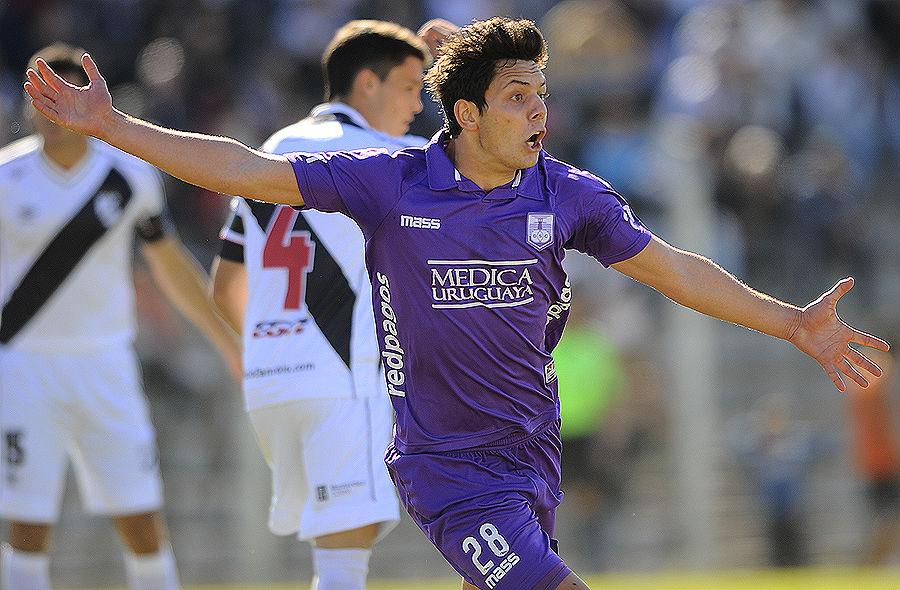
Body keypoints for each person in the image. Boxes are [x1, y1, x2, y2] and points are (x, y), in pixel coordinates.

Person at [23, 17, 891, 590]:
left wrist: (789, 323)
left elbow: (674, 270)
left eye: (543, 95)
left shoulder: (569, 193)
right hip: (447, 470)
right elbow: (246, 168)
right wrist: (114, 128)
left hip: (532, 456)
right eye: (519, 97)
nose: (540, 111)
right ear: (468, 113)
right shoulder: (390, 180)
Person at [209, 19, 445, 590]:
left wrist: (273, 347)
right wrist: (467, 74)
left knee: (340, 549)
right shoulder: (390, 157)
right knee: (344, 555)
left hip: (271, 382)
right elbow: (492, 160)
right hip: (341, 378)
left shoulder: (274, 150)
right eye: (413, 87)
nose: (420, 104)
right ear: (367, 84)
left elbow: (224, 285)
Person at [0, 43, 240, 590]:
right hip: (23, 368)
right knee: (27, 526)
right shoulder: (6, 180)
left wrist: (228, 342)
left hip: (106, 366)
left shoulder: (129, 177)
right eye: (39, 97)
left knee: (140, 519)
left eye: (60, 96)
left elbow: (169, 264)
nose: (48, 110)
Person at [845, 349, 900, 566]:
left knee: (884, 516)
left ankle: (872, 563)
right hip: (885, 461)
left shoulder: (868, 378)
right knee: (888, 516)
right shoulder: (881, 376)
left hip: (872, 460)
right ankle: (871, 564)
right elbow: (885, 425)